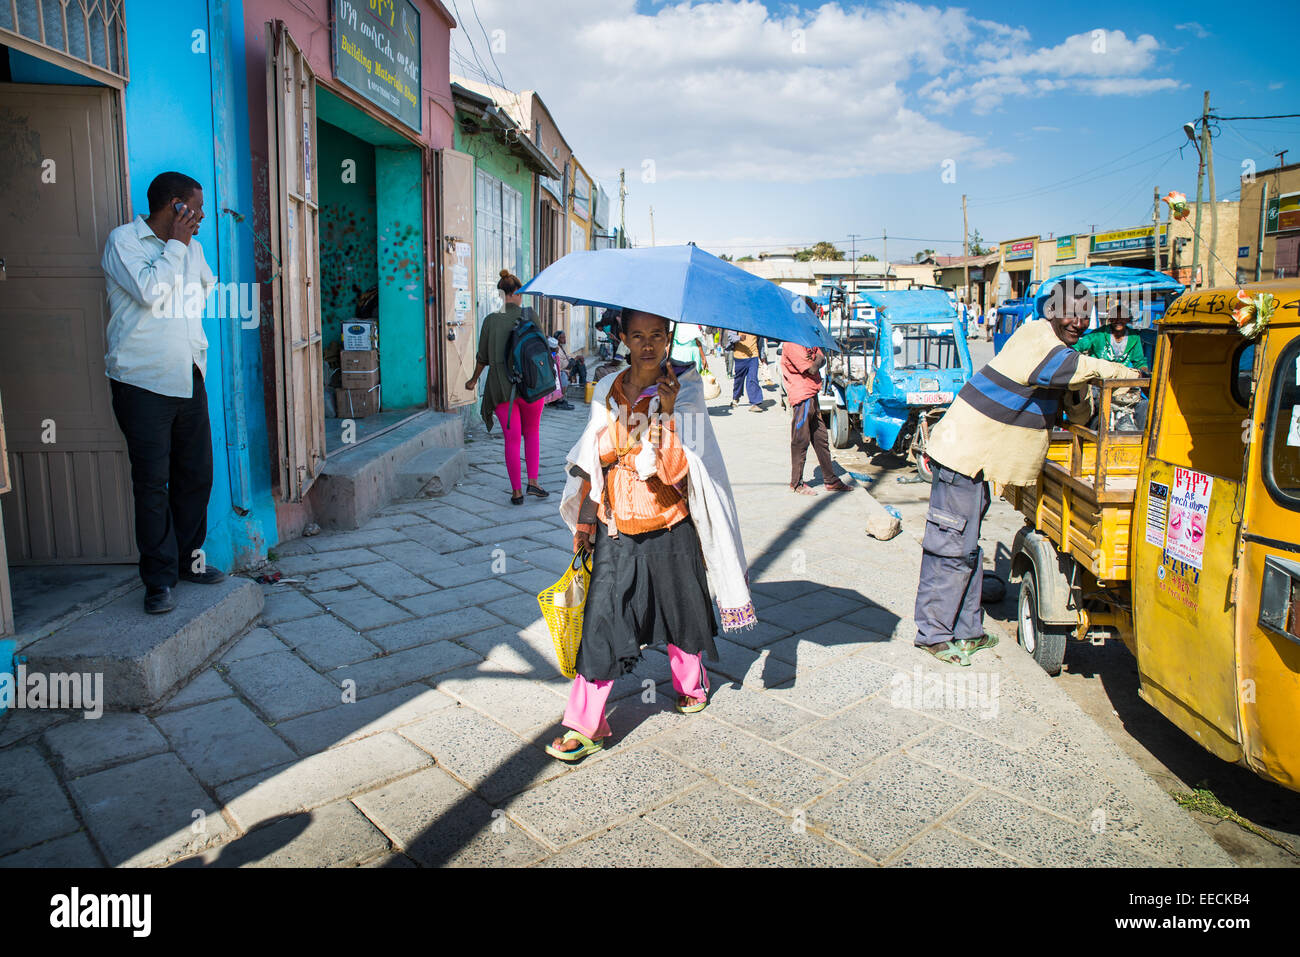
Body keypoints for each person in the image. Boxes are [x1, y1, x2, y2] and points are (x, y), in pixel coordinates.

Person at [549, 310, 755, 761]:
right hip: (616, 524)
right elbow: (592, 457)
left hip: (669, 523)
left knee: (683, 611)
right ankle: (585, 723)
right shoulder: (606, 387)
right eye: (637, 335)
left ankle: (690, 684)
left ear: (669, 339)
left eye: (657, 336)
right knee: (601, 620)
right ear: (622, 337)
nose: (647, 345)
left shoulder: (687, 389)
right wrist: (585, 520)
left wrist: (663, 413)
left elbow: (678, 468)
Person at [914, 280, 1138, 666]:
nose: (1079, 322)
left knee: (968, 547)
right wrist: (1121, 375)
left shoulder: (1059, 353)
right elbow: (1072, 368)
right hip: (962, 455)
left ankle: (968, 633)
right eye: (1071, 312)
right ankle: (932, 634)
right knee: (950, 547)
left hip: (979, 462)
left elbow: (1078, 405)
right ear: (1051, 311)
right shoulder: (1036, 337)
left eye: (1085, 316)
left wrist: (1095, 395)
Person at [102, 171, 224, 615]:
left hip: (188, 375)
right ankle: (158, 580)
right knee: (152, 483)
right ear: (176, 207)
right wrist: (176, 245)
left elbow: (204, 286)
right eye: (195, 206)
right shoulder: (124, 242)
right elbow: (152, 293)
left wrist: (183, 252)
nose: (202, 215)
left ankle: (189, 562)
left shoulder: (192, 248)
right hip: (141, 382)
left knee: (197, 476)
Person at [465, 269, 549, 506]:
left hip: (502, 388)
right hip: (532, 386)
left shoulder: (490, 320)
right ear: (519, 293)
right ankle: (533, 482)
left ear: (501, 294)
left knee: (511, 440)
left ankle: (516, 493)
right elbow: (540, 350)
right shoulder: (530, 315)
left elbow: (482, 358)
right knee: (532, 433)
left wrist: (473, 380)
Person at [781, 342, 851, 494]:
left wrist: (818, 358)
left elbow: (821, 360)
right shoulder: (791, 344)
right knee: (801, 440)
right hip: (802, 396)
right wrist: (819, 358)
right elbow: (813, 368)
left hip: (812, 393)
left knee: (821, 438)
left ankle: (831, 479)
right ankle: (796, 482)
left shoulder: (807, 340)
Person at [1073, 302, 1147, 371]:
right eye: (1115, 318)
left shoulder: (1134, 337)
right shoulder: (1099, 334)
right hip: (1099, 374)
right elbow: (1079, 345)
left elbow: (1139, 361)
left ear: (1128, 319)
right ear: (1110, 319)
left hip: (1121, 376)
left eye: (1122, 318)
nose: (1118, 321)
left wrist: (1144, 371)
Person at [730, 332, 764, 411]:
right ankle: (736, 397)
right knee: (739, 380)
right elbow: (730, 337)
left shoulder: (756, 326)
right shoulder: (736, 323)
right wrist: (739, 338)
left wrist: (762, 356)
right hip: (739, 356)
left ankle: (755, 402)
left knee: (753, 379)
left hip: (753, 356)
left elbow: (760, 341)